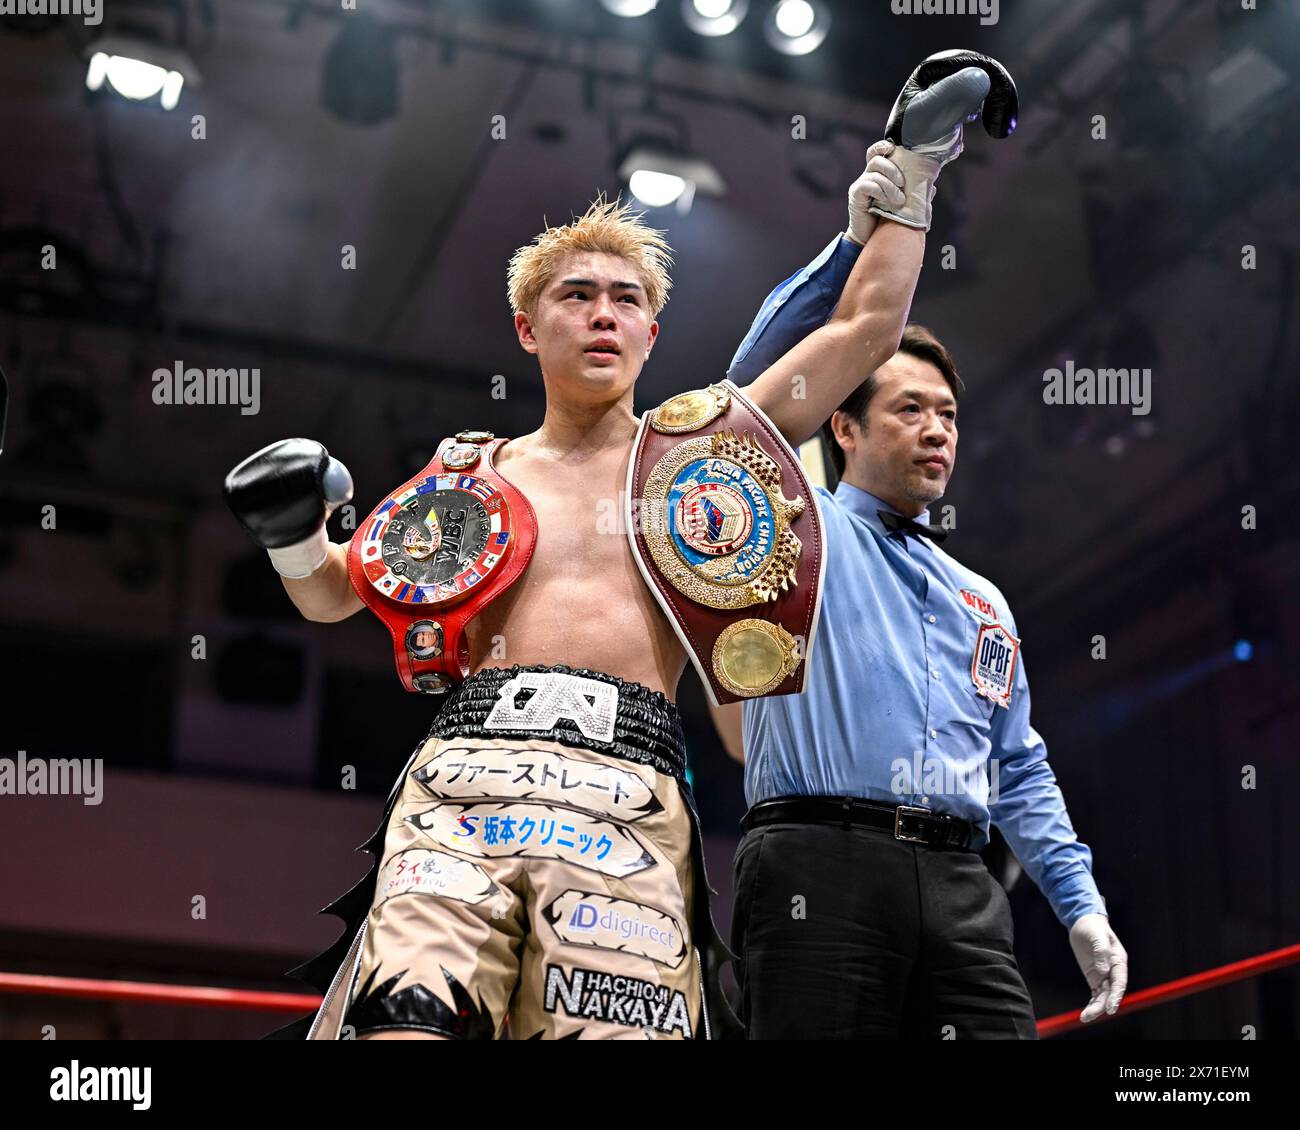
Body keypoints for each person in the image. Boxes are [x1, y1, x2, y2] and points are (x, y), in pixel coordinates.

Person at [224, 52, 1012, 1040]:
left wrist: (916, 162)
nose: (603, 310)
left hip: (625, 789)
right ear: (526, 325)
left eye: (626, 296)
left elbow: (863, 325)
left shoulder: (704, 456)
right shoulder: (469, 472)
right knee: (405, 1014)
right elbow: (338, 594)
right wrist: (293, 536)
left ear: (652, 329)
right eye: (576, 293)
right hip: (464, 775)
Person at [714, 314, 1129, 1038]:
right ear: (843, 428)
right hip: (818, 864)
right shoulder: (797, 534)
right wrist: (855, 265)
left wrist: (1081, 905)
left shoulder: (983, 600)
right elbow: (738, 419)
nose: (937, 429)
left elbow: (1020, 771)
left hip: (961, 884)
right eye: (910, 409)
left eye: (948, 415)